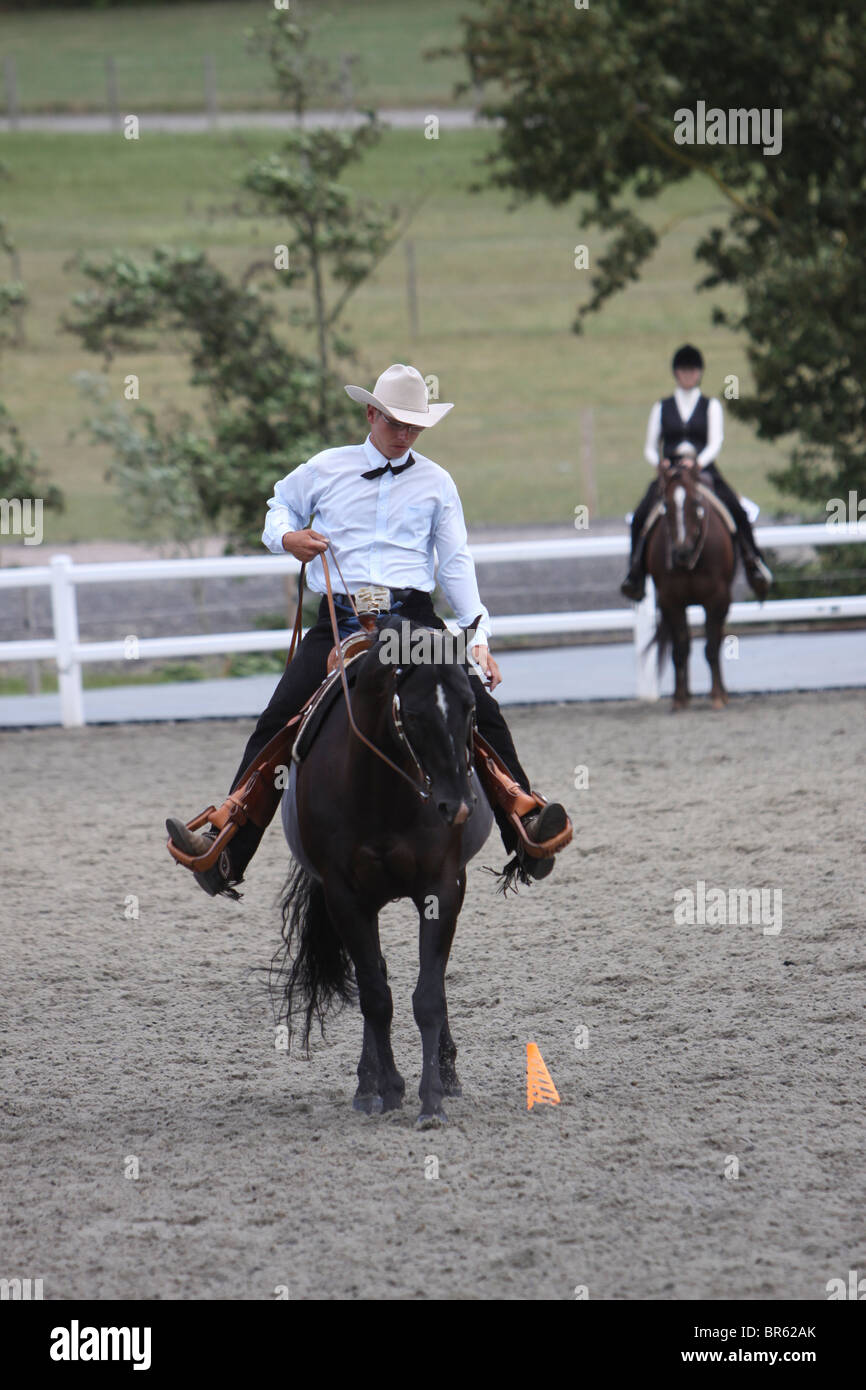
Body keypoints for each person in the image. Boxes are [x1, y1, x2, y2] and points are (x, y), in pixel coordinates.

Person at [166, 364, 569, 897]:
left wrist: (476, 636)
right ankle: (224, 849)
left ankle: (524, 822)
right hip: (341, 621)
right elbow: (277, 506)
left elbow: (455, 564)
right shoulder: (324, 469)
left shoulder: (438, 482)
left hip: (413, 622)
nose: (404, 434)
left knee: (476, 707)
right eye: (395, 422)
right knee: (278, 721)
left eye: (414, 426)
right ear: (370, 414)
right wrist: (288, 538)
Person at [621, 344, 773, 601]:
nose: (688, 375)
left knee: (736, 509)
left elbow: (716, 442)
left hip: (702, 469)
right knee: (640, 515)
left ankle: (753, 562)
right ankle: (634, 573)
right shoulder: (662, 407)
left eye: (692, 370)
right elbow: (649, 447)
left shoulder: (710, 405)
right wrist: (660, 463)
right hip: (670, 472)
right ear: (676, 374)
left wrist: (698, 462)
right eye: (683, 370)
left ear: (699, 373)